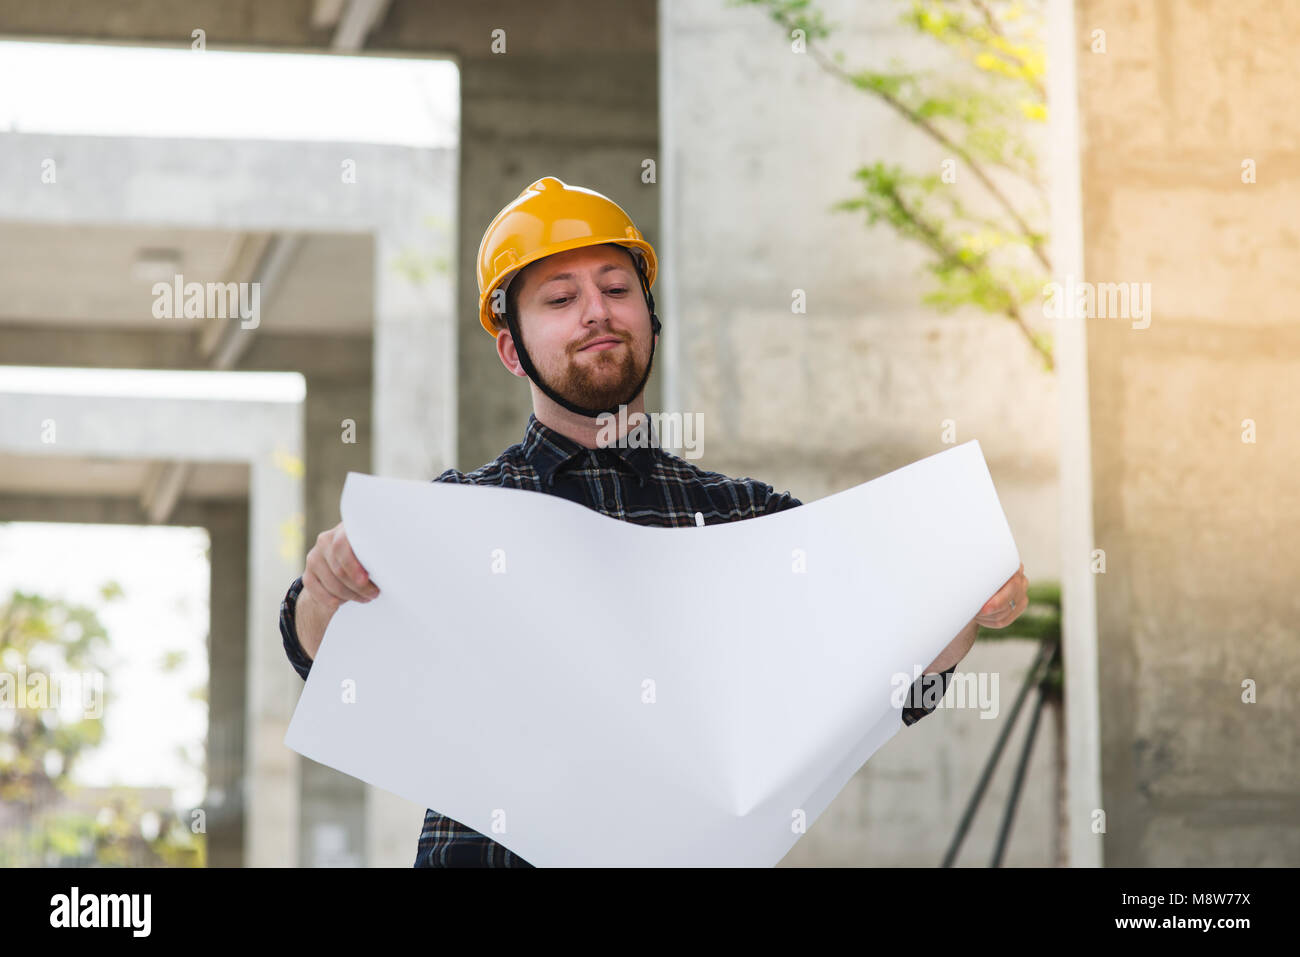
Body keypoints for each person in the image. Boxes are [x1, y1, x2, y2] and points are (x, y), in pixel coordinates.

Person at [278, 176, 1030, 867]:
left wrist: (967, 590)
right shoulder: (457, 519)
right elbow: (323, 654)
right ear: (512, 350)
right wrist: (326, 584)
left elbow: (879, 677)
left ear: (652, 321)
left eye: (615, 286)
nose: (597, 310)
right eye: (559, 298)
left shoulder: (748, 522)